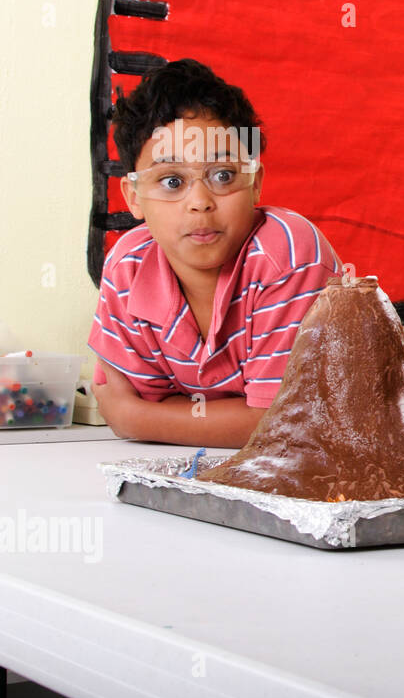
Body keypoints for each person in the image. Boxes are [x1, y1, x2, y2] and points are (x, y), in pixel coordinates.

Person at [88, 58, 344, 447]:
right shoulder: (127, 266)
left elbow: (288, 425)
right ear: (133, 197)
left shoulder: (288, 254)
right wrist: (225, 417)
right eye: (172, 181)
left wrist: (136, 420)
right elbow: (124, 390)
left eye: (223, 175)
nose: (200, 202)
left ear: (255, 183)